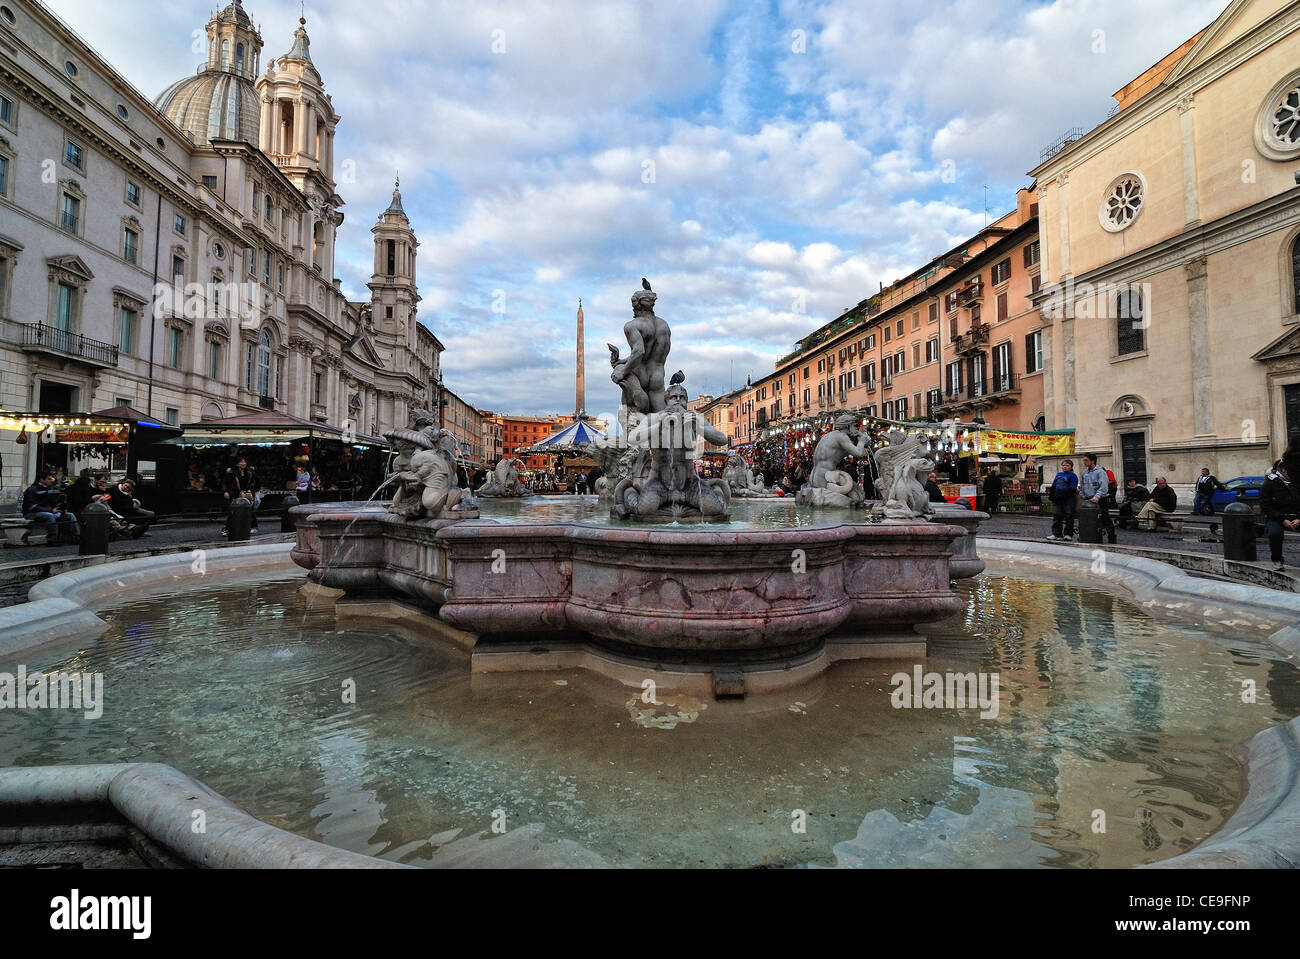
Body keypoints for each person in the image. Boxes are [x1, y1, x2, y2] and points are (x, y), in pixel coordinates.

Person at [1260, 459, 1300, 571]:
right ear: (1281, 470)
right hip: (1276, 517)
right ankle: (1277, 560)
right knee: (1275, 534)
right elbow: (1265, 505)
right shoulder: (1269, 484)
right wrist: (1282, 519)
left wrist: (1299, 519)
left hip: (1296, 516)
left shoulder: (1296, 482)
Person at [22, 470, 79, 546]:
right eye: (49, 479)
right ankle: (52, 540)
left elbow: (53, 503)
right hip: (31, 513)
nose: (51, 481)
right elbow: (32, 507)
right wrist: (51, 510)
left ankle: (77, 537)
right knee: (50, 516)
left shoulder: (49, 488)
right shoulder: (32, 489)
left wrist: (59, 508)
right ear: (41, 479)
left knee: (70, 515)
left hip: (47, 511)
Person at [1079, 454, 1117, 544]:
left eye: (1086, 460)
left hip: (1100, 499)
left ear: (1092, 461)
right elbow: (1082, 485)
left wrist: (1097, 497)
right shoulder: (1085, 473)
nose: (1084, 462)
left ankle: (1112, 538)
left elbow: (1103, 487)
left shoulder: (1100, 472)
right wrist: (1083, 495)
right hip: (1088, 499)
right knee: (1087, 519)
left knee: (1105, 518)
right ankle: (1088, 536)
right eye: (1084, 460)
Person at [222, 457, 261, 532]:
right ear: (237, 464)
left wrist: (256, 490)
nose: (243, 463)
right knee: (233, 511)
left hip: (246, 494)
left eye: (244, 462)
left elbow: (257, 480)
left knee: (250, 510)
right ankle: (228, 528)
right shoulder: (231, 472)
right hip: (234, 493)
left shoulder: (249, 471)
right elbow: (224, 482)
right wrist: (225, 491)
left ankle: (253, 527)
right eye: (241, 462)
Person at [1046, 459, 1079, 541]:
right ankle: (1056, 534)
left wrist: (1064, 496)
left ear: (1071, 467)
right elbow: (1053, 486)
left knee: (1069, 516)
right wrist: (1052, 495)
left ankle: (1068, 534)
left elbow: (1072, 489)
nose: (1065, 467)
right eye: (1063, 465)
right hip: (1058, 499)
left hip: (1069, 499)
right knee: (1057, 516)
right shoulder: (1058, 475)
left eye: (1067, 465)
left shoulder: (1073, 476)